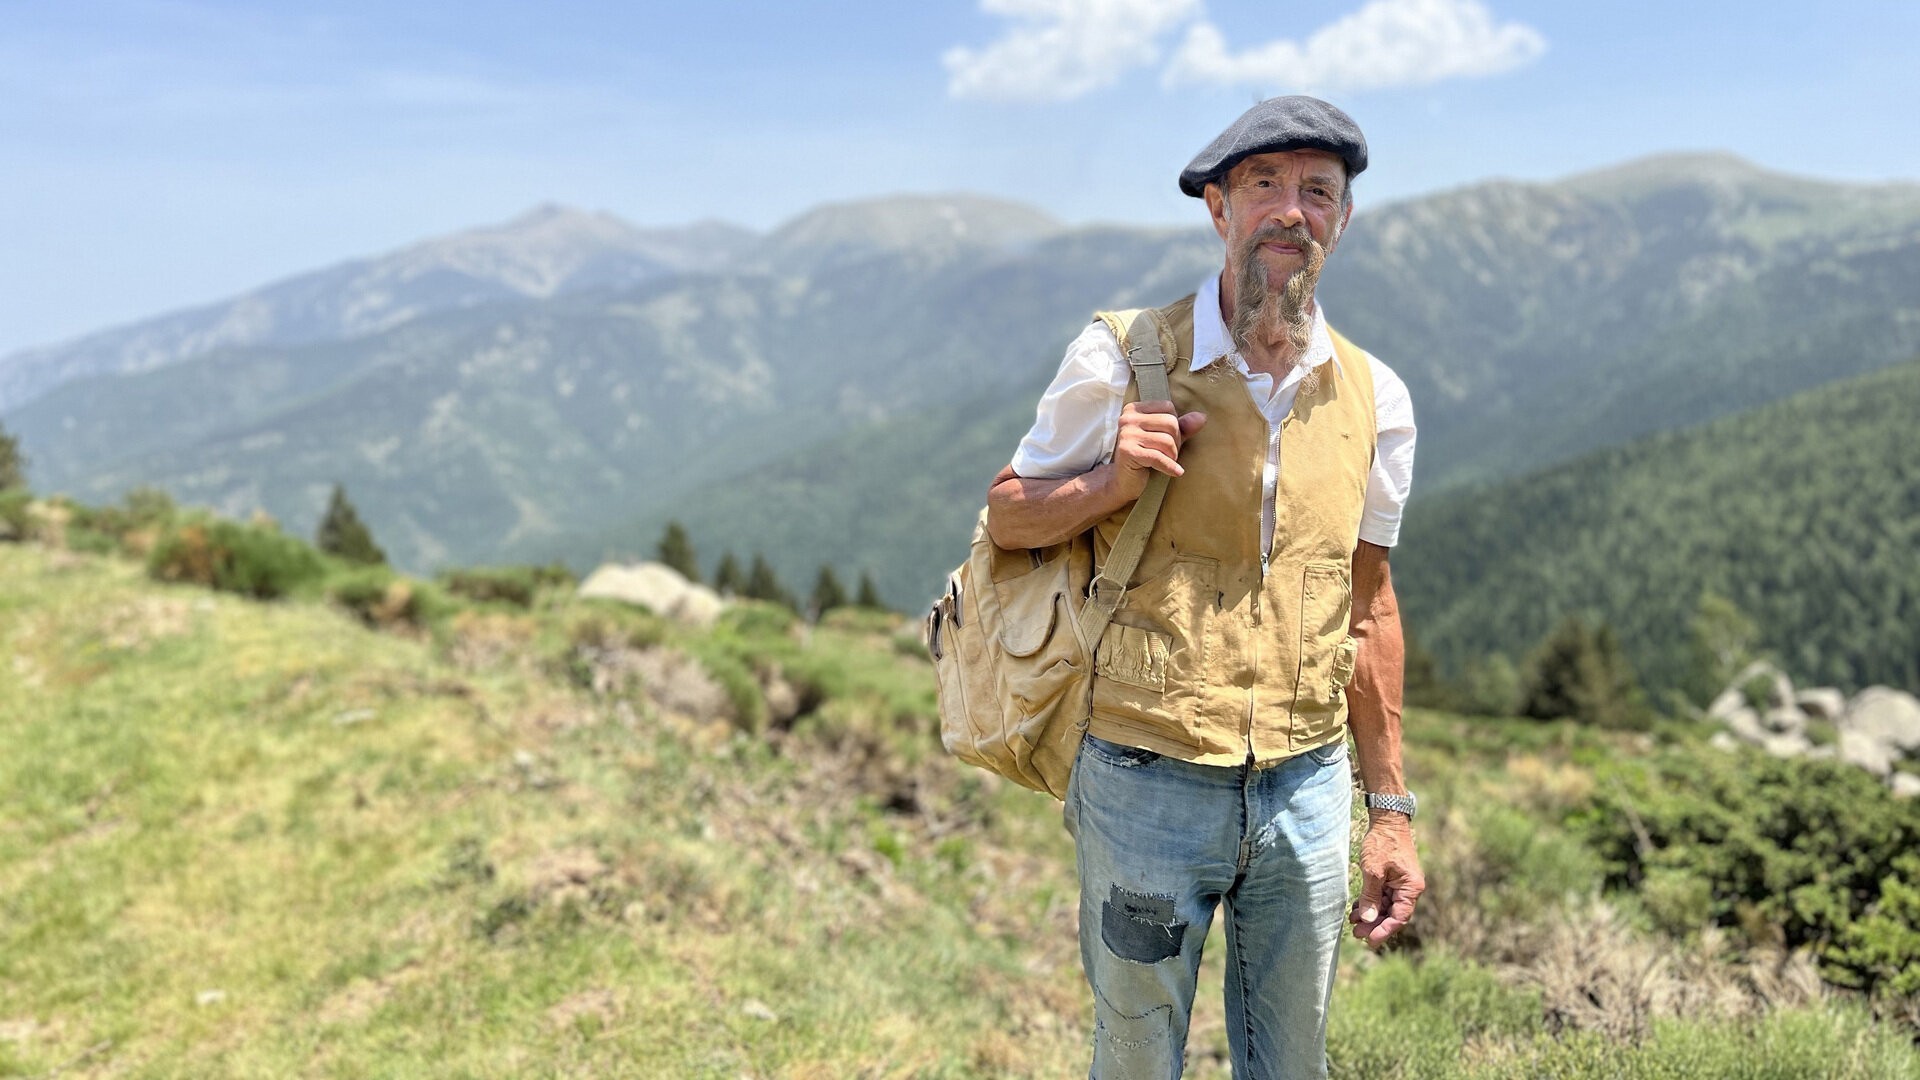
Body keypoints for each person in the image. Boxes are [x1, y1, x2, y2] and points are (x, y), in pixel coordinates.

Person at [984, 96, 1423, 1079]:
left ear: (1343, 221)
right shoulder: (1128, 355)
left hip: (1306, 791)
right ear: (1218, 209)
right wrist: (1106, 483)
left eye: (1318, 191)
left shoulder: (1373, 396)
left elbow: (1372, 602)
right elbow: (1009, 514)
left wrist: (1387, 810)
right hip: (1145, 776)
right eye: (1263, 184)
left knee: (1291, 1062)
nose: (1290, 210)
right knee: (1138, 1058)